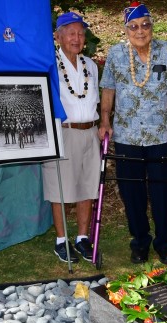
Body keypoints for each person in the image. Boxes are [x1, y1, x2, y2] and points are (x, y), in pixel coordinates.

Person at [99, 2, 167, 265]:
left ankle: (164, 243)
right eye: (134, 27)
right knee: (131, 192)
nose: (140, 31)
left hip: (160, 135)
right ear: (126, 30)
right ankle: (139, 242)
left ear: (152, 27)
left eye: (145, 25)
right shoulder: (115, 54)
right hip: (126, 136)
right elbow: (108, 90)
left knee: (162, 192)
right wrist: (105, 120)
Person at [44, 12, 100, 263]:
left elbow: (95, 99)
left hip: (90, 131)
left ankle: (82, 238)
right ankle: (60, 240)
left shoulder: (91, 66)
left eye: (80, 33)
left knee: (87, 186)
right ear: (58, 36)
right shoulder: (49, 64)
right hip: (63, 132)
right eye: (71, 33)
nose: (77, 38)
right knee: (60, 187)